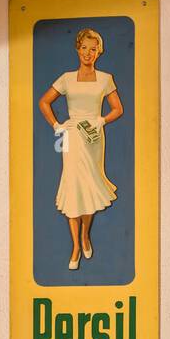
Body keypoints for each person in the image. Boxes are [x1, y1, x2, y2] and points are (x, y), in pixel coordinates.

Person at [38, 28, 124, 270]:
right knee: (74, 187)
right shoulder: (66, 78)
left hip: (94, 136)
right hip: (73, 136)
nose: (88, 53)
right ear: (78, 49)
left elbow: (118, 109)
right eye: (84, 48)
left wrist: (101, 121)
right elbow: (44, 101)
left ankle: (86, 233)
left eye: (93, 49)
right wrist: (57, 125)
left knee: (89, 186)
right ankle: (76, 245)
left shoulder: (105, 78)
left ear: (99, 52)